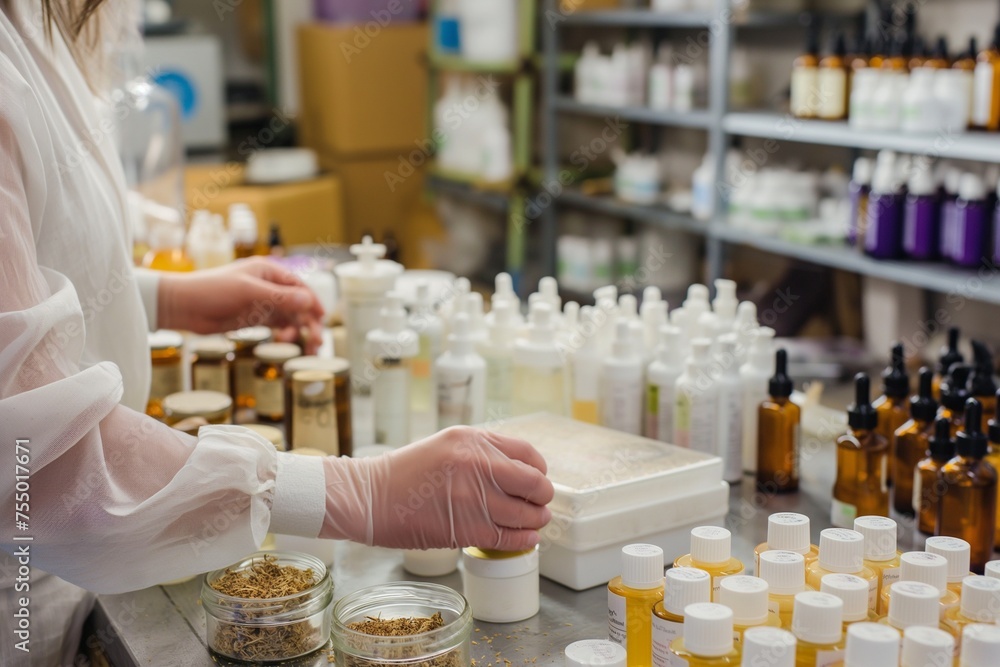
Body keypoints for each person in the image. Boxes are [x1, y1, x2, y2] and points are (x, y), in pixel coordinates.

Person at [0, 1, 554, 664]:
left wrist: (166, 297)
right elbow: (35, 457)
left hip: (67, 570)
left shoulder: (32, 22)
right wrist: (360, 491)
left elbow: (37, 263)